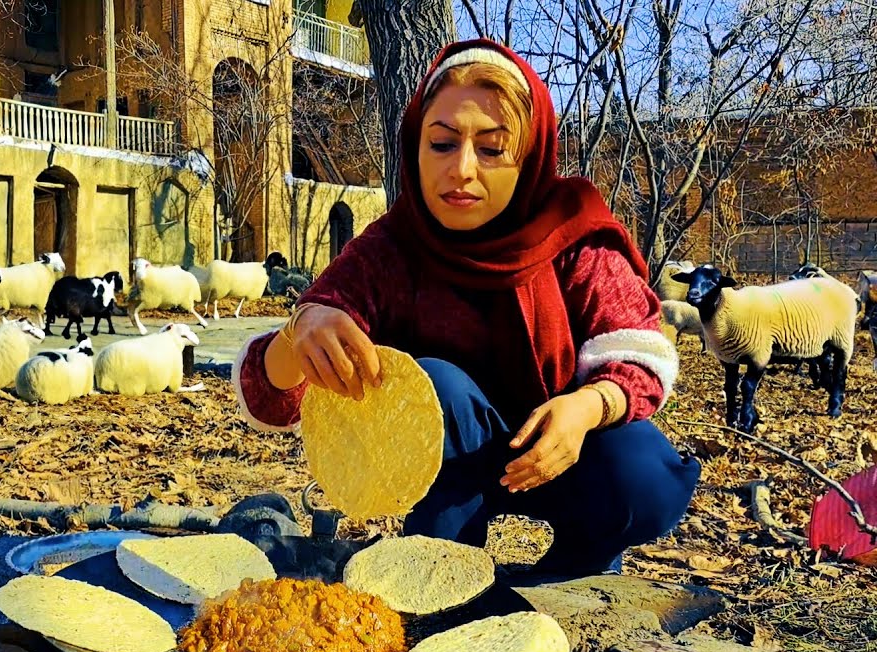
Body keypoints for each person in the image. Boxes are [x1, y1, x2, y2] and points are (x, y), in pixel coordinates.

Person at [232, 38, 700, 577]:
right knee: (438, 384)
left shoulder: (573, 235)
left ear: (528, 156)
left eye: (493, 149)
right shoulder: (391, 250)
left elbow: (641, 354)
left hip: (572, 455)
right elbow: (272, 392)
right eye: (443, 144)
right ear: (415, 146)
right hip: (451, 473)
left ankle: (583, 568)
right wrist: (303, 330)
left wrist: (587, 407)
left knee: (640, 473)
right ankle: (444, 570)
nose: (462, 169)